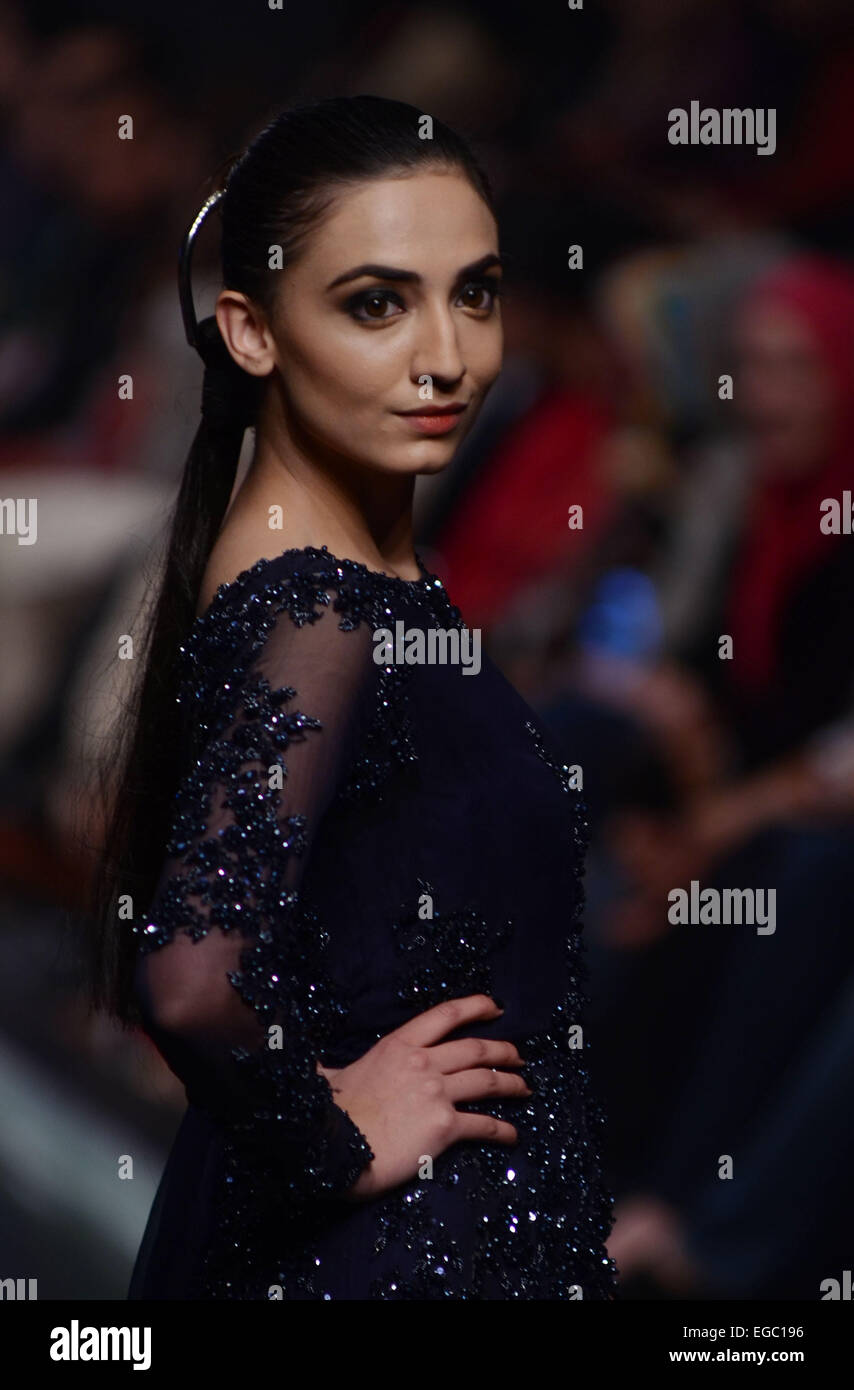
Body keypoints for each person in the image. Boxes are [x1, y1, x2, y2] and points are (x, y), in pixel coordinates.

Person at [90, 95, 617, 1301]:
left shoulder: (343, 571)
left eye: (473, 293)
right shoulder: (316, 606)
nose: (448, 353)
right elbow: (190, 974)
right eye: (376, 302)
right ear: (253, 332)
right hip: (396, 1254)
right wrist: (336, 1136)